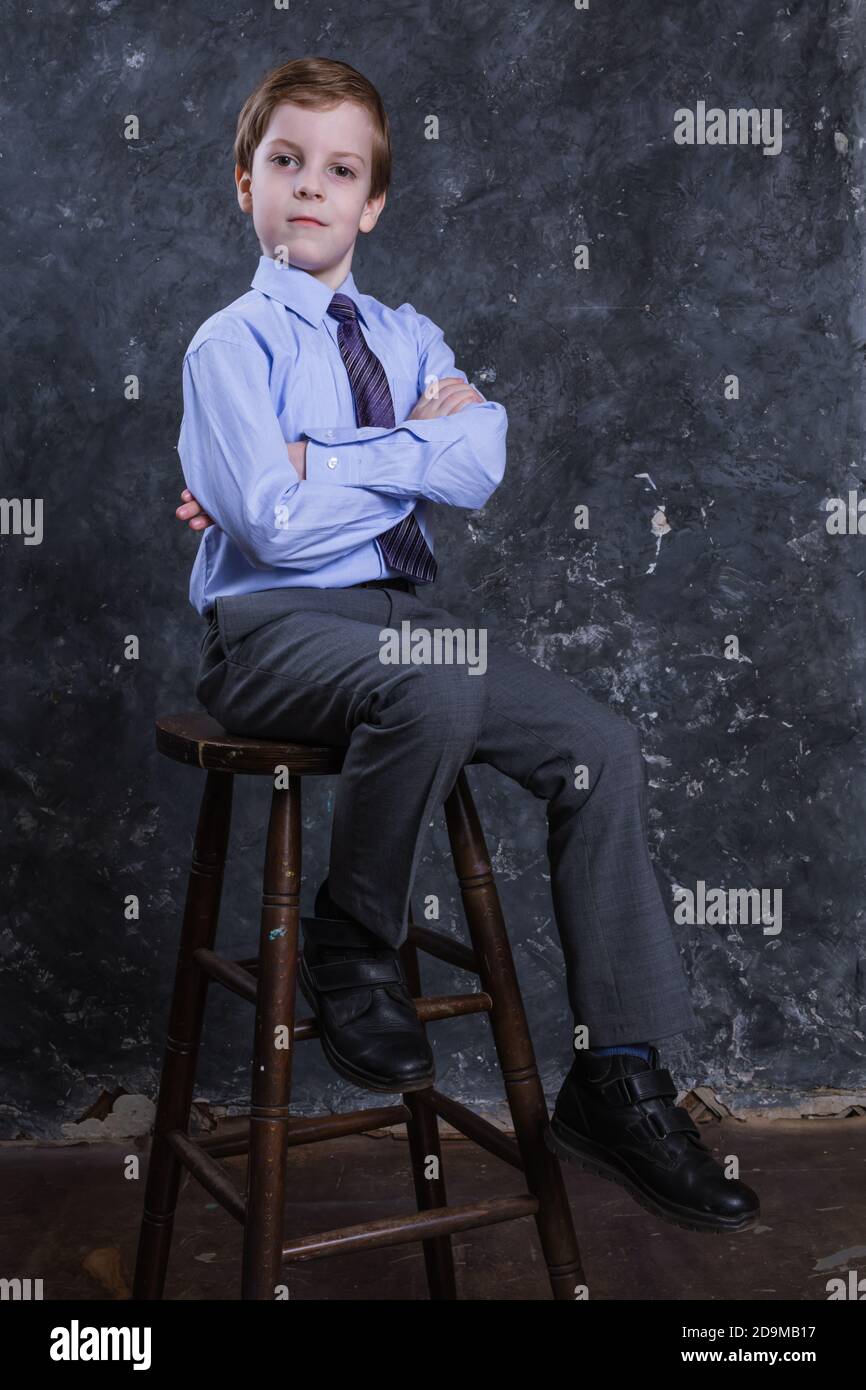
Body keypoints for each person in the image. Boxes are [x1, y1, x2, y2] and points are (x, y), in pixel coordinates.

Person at [174, 55, 759, 1235]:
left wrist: (324, 459)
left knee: (599, 742)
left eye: (338, 170)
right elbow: (270, 528)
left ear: (371, 203)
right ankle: (353, 943)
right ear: (246, 183)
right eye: (284, 162)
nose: (309, 187)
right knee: (427, 689)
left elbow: (479, 461)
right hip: (268, 636)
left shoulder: (405, 333)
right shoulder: (226, 347)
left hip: (399, 628)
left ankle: (615, 1071)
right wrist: (402, 455)